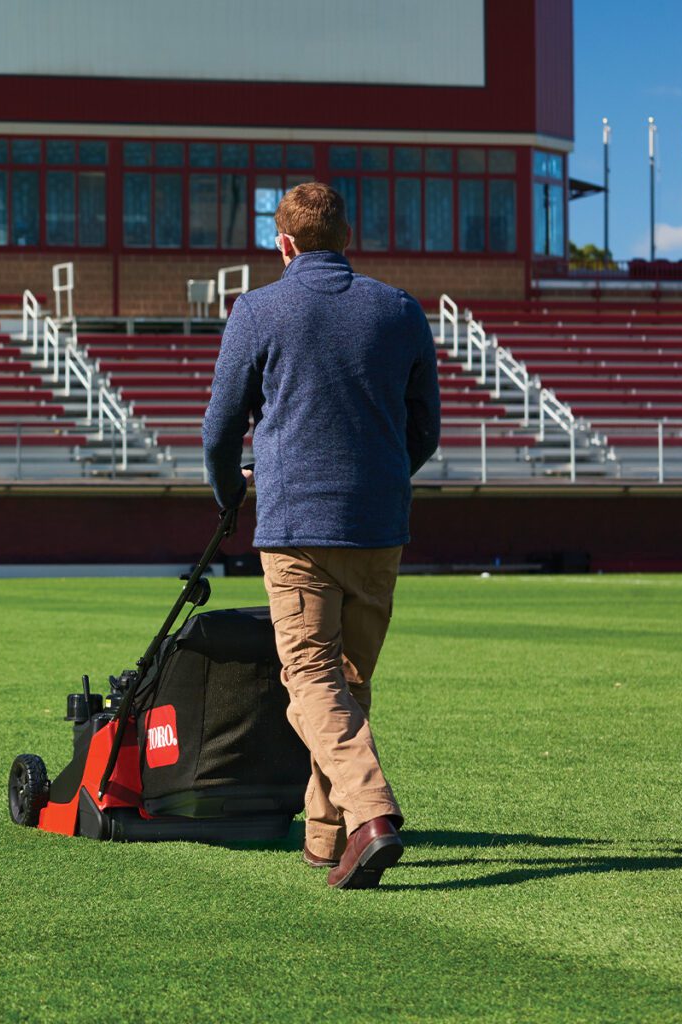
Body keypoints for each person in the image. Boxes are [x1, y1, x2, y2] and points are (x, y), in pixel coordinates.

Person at [202, 182, 440, 889]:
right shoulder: (400, 310)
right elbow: (424, 429)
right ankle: (323, 837)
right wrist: (387, 476)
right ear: (346, 239)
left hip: (297, 525)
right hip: (378, 527)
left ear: (284, 244)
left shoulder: (259, 309)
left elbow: (219, 430)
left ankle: (370, 815)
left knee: (310, 680)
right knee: (347, 687)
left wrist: (231, 494)